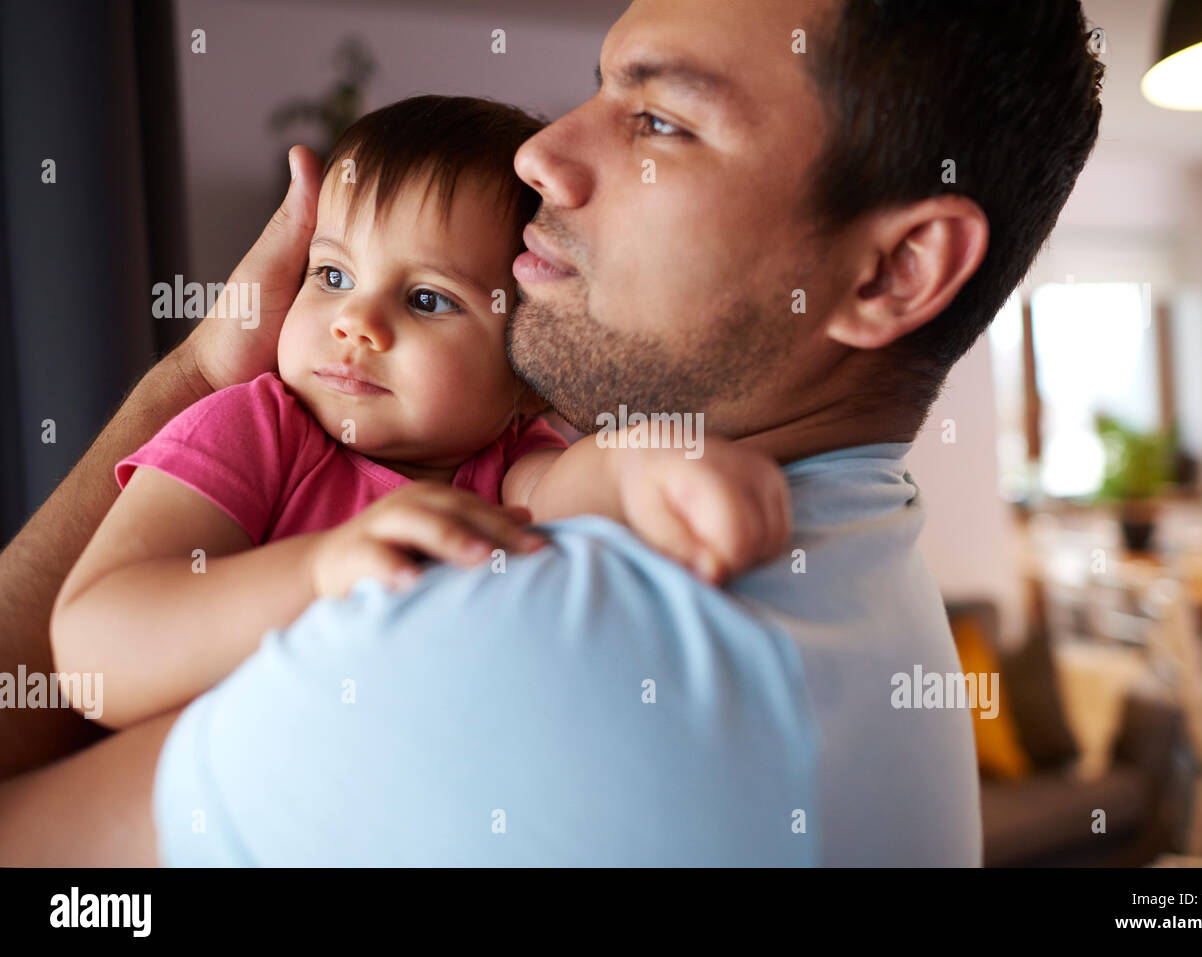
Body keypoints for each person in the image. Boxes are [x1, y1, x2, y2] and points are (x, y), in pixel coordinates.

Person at [0, 0, 1103, 865]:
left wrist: (639, 461)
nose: (542, 155)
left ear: (891, 271)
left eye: (660, 120)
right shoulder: (866, 545)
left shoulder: (520, 634)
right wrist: (205, 376)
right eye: (596, 89)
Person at [47, 94, 789, 731]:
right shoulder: (253, 429)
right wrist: (321, 571)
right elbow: (94, 653)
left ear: (530, 371)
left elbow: (586, 483)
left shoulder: (508, 467)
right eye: (332, 274)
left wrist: (659, 458)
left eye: (428, 298)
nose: (356, 322)